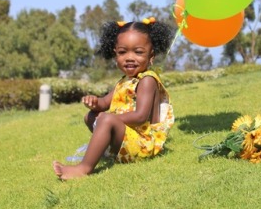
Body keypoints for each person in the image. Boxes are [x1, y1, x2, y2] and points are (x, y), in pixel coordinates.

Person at [53, 17, 175, 180]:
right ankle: (107, 149)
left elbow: (140, 117)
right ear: (115, 54)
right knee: (91, 116)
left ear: (151, 56)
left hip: (142, 144)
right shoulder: (124, 81)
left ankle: (83, 168)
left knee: (107, 120)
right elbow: (104, 103)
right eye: (123, 52)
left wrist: (110, 118)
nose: (129, 57)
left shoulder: (147, 80)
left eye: (138, 52)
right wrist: (95, 102)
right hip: (128, 137)